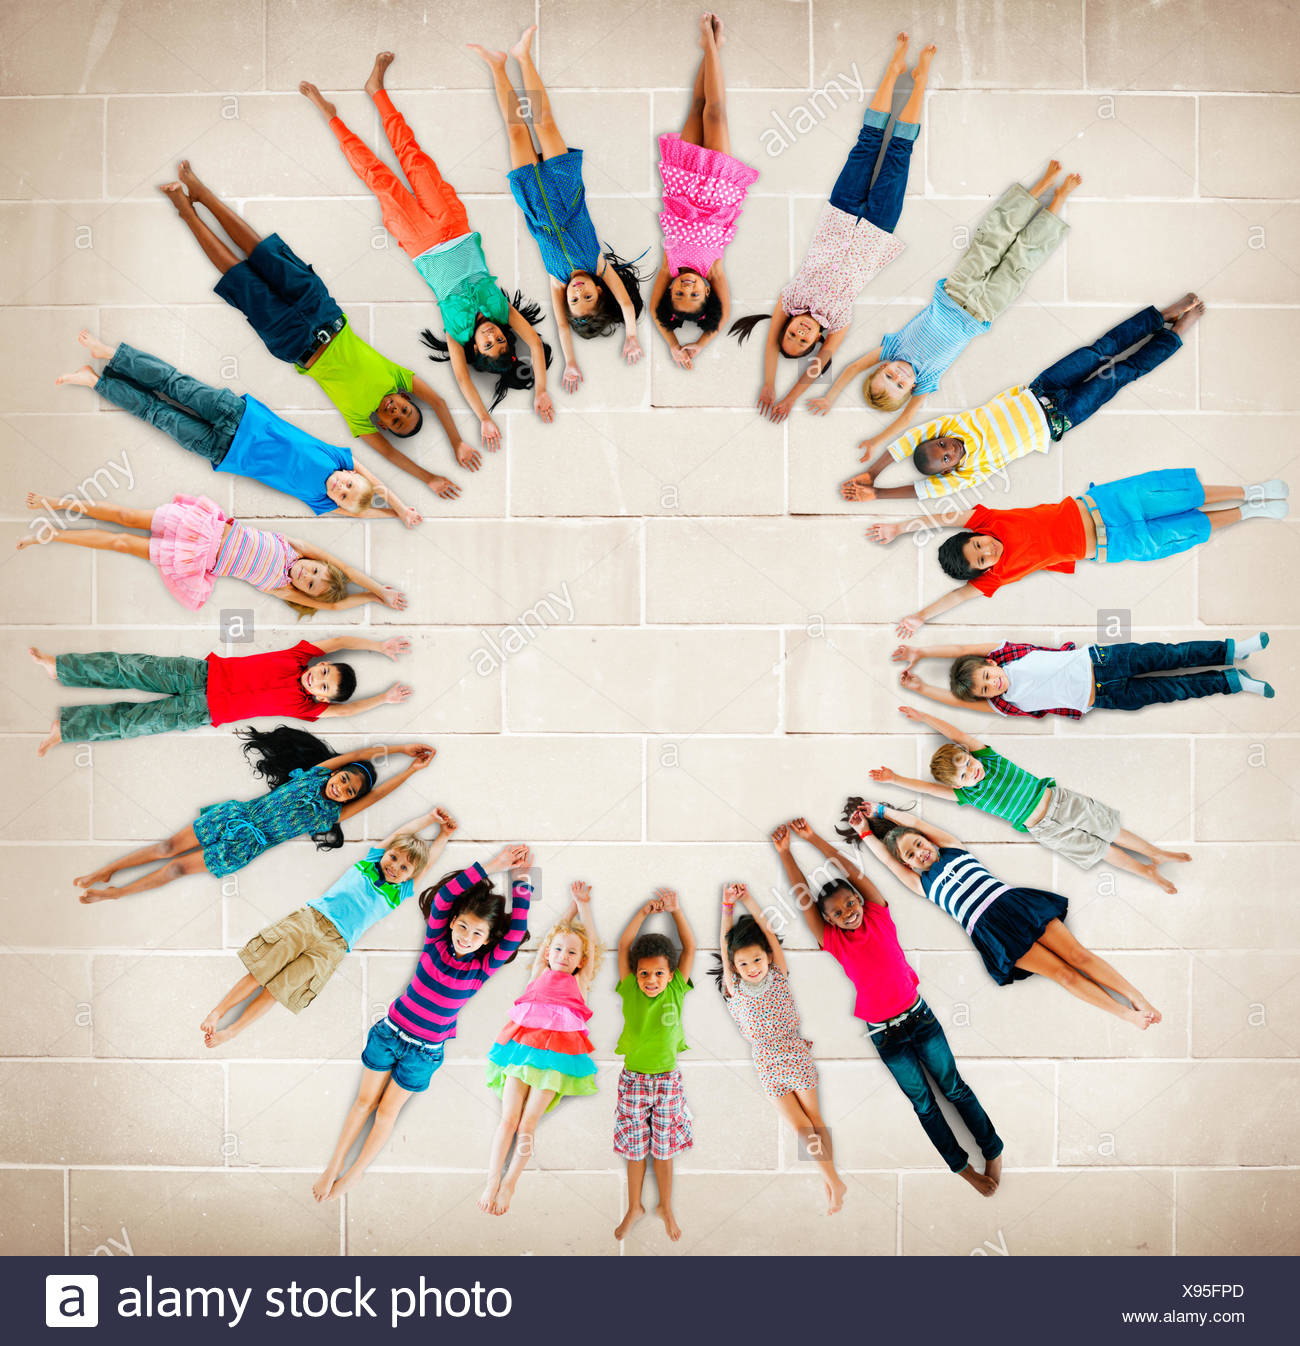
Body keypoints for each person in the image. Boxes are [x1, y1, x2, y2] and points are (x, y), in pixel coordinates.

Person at [160, 160, 475, 498]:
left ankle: (186, 213)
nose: (396, 412)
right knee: (262, 250)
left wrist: (429, 478)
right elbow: (440, 402)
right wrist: (457, 442)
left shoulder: (360, 420)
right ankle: (202, 194)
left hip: (292, 341)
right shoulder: (398, 378)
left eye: (395, 421)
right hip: (323, 311)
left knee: (238, 276)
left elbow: (388, 454)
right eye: (405, 410)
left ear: (382, 425)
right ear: (405, 397)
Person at [300, 53, 554, 440]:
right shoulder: (503, 312)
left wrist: (484, 418)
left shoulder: (456, 334)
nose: (493, 337)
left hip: (420, 242)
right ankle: (377, 92)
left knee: (378, 177)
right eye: (501, 338)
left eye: (489, 345)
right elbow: (535, 343)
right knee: (413, 158)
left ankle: (331, 115)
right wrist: (542, 390)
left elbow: (463, 382)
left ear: (477, 351)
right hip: (455, 225)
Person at [772, 819, 1002, 1196]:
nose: (848, 911)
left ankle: (992, 1149)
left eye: (850, 902)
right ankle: (961, 1168)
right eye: (838, 912)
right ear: (828, 920)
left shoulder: (878, 912)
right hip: (885, 1035)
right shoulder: (832, 940)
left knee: (954, 1087)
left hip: (920, 1018)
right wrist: (785, 854)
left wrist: (814, 840)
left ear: (860, 900)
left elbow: (851, 871)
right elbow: (802, 898)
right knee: (924, 1104)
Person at [730, 33, 934, 421]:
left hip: (840, 212)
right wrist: (793, 397)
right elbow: (820, 362)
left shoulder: (790, 301)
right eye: (804, 340)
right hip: (877, 229)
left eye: (791, 334)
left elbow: (772, 346)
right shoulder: (837, 322)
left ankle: (894, 70)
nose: (799, 333)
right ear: (816, 340)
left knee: (868, 141)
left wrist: (770, 385)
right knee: (898, 155)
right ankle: (920, 80)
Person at [311, 844, 533, 1201]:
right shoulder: (436, 941)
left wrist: (522, 878)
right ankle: (332, 1167)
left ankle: (354, 1174)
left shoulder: (481, 968)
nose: (465, 937)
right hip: (389, 1034)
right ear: (452, 921)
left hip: (425, 1053)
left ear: (489, 941)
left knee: (386, 1113)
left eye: (477, 934)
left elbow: (518, 925)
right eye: (462, 926)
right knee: (364, 1102)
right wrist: (495, 864)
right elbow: (446, 895)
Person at [815, 160, 1081, 455]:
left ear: (882, 366)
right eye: (900, 386)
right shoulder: (926, 382)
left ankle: (1041, 185)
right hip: (985, 309)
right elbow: (905, 419)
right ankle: (1058, 200)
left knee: (992, 240)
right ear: (910, 391)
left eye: (889, 376)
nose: (899, 376)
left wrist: (830, 397)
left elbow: (853, 367)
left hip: (956, 290)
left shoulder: (892, 350)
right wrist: (877, 442)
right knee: (1022, 260)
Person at [838, 296, 1205, 501]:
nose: (951, 447)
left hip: (1041, 389)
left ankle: (1160, 316)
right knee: (1123, 373)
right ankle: (1174, 337)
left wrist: (872, 471)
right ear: (950, 469)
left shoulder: (953, 427)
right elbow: (924, 490)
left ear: (937, 436)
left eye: (942, 443)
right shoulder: (972, 470)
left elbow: (905, 443)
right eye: (947, 457)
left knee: (1099, 351)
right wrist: (879, 494)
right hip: (1063, 417)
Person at [843, 801, 1162, 1029]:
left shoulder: (952, 848)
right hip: (992, 932)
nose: (919, 853)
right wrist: (865, 834)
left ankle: (1137, 997)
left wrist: (882, 812)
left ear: (927, 839)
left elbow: (921, 825)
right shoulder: (921, 884)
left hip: (1014, 905)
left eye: (919, 844)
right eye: (910, 855)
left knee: (1078, 956)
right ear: (908, 865)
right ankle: (1126, 1015)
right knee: (1063, 975)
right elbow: (887, 862)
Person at [867, 469, 1290, 636]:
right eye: (982, 558)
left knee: (1176, 493)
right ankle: (1248, 512)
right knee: (1186, 531)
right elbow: (959, 596)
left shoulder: (989, 519)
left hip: (1104, 505)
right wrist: (920, 616)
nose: (987, 550)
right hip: (1111, 546)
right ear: (984, 569)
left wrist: (900, 528)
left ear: (975, 534)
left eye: (977, 544)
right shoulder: (996, 576)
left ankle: (1252, 491)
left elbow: (944, 517)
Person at [58, 333, 421, 524]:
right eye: (348, 484)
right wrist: (402, 508)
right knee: (172, 383)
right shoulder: (338, 460)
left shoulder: (320, 501)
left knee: (158, 414)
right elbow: (379, 487)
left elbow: (362, 511)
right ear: (350, 473)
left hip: (220, 451)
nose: (340, 488)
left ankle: (96, 382)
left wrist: (388, 516)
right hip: (240, 414)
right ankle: (112, 355)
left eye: (342, 495)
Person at [471, 24, 646, 390]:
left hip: (533, 198)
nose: (577, 291)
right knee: (542, 119)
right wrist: (631, 336)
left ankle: (497, 65)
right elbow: (627, 305)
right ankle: (523, 56)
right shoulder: (597, 263)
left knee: (516, 128)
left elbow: (563, 325)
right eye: (588, 296)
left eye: (575, 299)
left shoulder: (555, 281)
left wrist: (570, 363)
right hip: (564, 191)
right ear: (601, 290)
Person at [72, 729, 433, 903]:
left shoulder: (331, 814)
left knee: (177, 869)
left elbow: (381, 793)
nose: (342, 787)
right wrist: (401, 748)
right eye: (343, 779)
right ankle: (108, 869)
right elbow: (361, 753)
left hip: (245, 848)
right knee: (167, 846)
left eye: (350, 791)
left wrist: (412, 770)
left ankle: (119, 892)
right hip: (232, 817)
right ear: (335, 773)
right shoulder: (316, 774)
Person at [202, 807, 455, 1046]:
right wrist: (430, 818)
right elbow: (399, 834)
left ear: (410, 874)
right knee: (260, 973)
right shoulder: (371, 861)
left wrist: (444, 835)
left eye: (404, 867)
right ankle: (217, 1013)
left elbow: (429, 862)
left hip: (333, 946)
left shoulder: (400, 891)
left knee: (276, 992)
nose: (394, 866)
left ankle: (232, 1031)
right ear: (386, 852)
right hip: (310, 920)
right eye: (393, 857)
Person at [871, 705, 1191, 892]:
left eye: (969, 763)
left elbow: (957, 734)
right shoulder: (966, 794)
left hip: (1059, 802)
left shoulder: (990, 758)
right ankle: (1146, 871)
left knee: (1111, 830)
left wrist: (924, 717)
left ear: (971, 755)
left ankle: (1155, 852)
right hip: (1044, 829)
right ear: (960, 784)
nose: (972, 771)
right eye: (965, 774)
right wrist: (896, 780)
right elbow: (929, 789)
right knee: (1101, 851)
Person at [18, 491, 406, 619]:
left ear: (303, 592)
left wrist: (371, 599)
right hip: (198, 527)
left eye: (309, 584)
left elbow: (334, 608)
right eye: (315, 571)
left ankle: (54, 536)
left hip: (193, 557)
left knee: (121, 543)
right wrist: (380, 588)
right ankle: (57, 503)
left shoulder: (278, 587)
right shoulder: (296, 549)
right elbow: (348, 568)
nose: (306, 574)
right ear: (320, 562)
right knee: (123, 516)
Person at [28, 634, 412, 756]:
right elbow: (341, 641)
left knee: (133, 724)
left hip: (200, 710)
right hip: (197, 672)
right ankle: (60, 666)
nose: (318, 679)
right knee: (129, 666)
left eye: (324, 686)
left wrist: (384, 698)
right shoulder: (298, 656)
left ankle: (67, 729)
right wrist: (379, 647)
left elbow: (346, 714)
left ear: (323, 699)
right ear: (320, 662)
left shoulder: (304, 708)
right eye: (324, 670)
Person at [713, 881, 847, 1214]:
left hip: (793, 1052)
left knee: (815, 1118)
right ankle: (832, 1179)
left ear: (768, 957)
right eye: (743, 964)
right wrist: (726, 908)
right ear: (735, 967)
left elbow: (769, 932)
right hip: (766, 1062)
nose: (751, 968)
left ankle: (832, 1180)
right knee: (800, 1127)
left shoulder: (778, 972)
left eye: (756, 960)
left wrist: (747, 898)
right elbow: (723, 943)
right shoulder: (735, 987)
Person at [479, 881, 601, 1216]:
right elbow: (552, 937)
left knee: (527, 1124)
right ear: (548, 952)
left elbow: (591, 943)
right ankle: (492, 1181)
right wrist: (570, 909)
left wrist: (584, 905)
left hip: (556, 1062)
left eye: (572, 953)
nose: (564, 956)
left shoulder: (580, 980)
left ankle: (510, 1185)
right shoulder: (539, 971)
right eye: (559, 950)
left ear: (582, 961)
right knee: (508, 1120)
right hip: (522, 1052)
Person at [649, 13, 758, 370]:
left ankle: (711, 47)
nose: (687, 287)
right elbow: (722, 316)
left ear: (670, 290)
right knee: (717, 114)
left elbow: (655, 314)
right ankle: (711, 44)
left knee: (697, 108)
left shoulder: (670, 266)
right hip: (717, 187)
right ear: (707, 292)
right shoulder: (715, 272)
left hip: (683, 183)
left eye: (679, 293)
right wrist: (698, 343)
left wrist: (672, 345)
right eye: (694, 294)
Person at [892, 631, 1275, 716]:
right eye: (985, 690)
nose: (993, 684)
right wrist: (922, 689)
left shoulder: (1006, 655)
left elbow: (961, 651)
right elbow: (960, 704)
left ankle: (1232, 650)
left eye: (987, 676)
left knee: (1172, 656)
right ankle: (1232, 682)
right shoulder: (1004, 705)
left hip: (1103, 661)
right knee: (1174, 688)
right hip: (1106, 698)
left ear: (990, 664)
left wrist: (922, 652)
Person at [612, 887, 696, 1243]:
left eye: (658, 974)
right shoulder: (629, 987)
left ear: (669, 974)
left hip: (667, 1081)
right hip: (633, 1080)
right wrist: (643, 912)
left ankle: (665, 1205)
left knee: (664, 1148)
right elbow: (622, 946)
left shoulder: (676, 988)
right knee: (635, 1149)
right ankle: (634, 1206)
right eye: (645, 974)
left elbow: (689, 947)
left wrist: (676, 910)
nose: (651, 981)